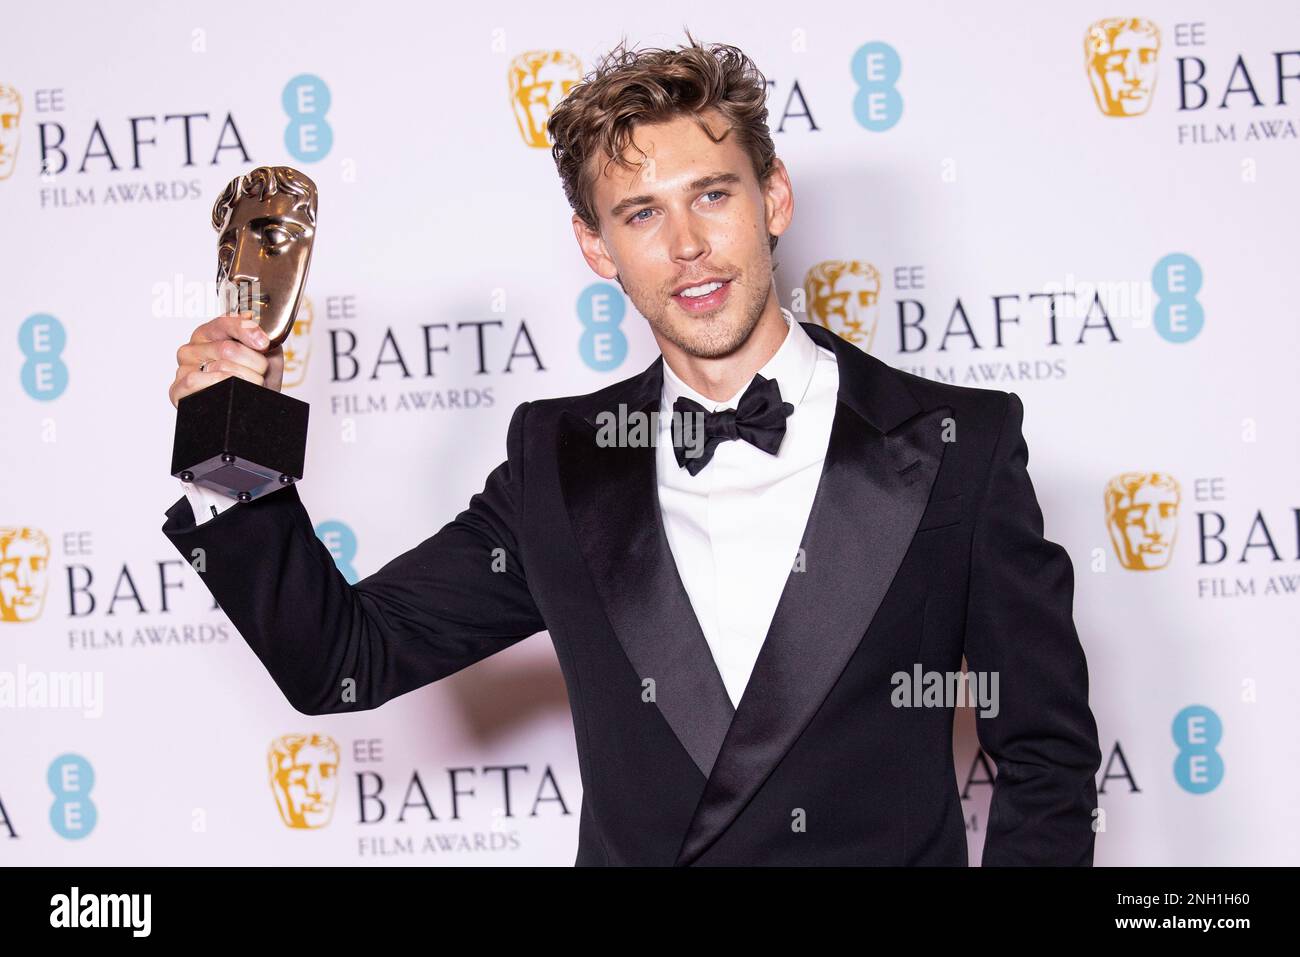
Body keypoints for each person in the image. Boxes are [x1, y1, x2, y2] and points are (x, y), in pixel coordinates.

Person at [162, 34, 1102, 866]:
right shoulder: (558, 464)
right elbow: (343, 660)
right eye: (643, 213)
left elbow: (1046, 759)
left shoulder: (958, 446)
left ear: (772, 198)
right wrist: (229, 458)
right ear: (596, 246)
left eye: (712, 193)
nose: (688, 245)